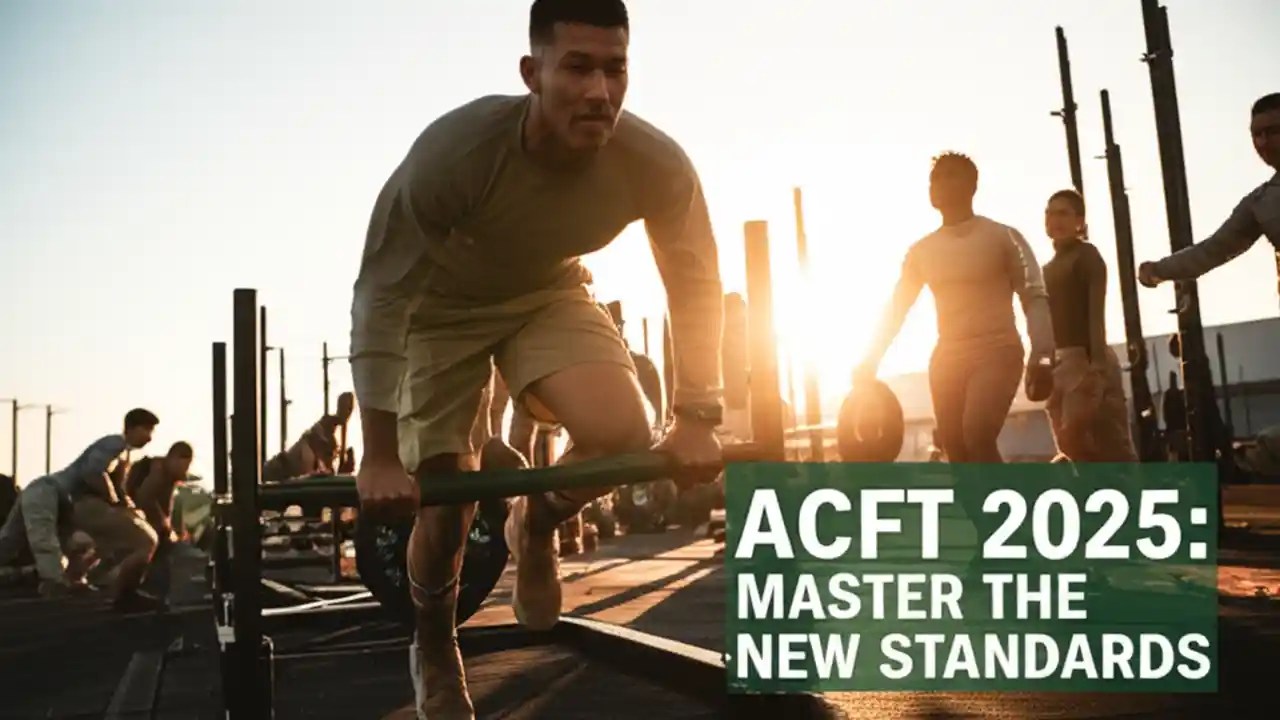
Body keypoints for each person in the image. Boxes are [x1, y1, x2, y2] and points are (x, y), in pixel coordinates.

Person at [347, 2, 724, 717]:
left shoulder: (655, 162)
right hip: (439, 310)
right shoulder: (455, 154)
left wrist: (699, 410)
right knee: (447, 505)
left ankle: (537, 523)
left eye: (615, 69)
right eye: (577, 67)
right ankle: (433, 640)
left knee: (623, 434)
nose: (599, 91)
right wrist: (378, 452)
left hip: (547, 291)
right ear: (533, 73)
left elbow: (695, 277)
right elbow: (381, 295)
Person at [855, 152, 1055, 463]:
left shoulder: (1004, 237)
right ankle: (984, 512)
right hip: (948, 358)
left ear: (972, 185)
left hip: (997, 351)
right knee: (956, 447)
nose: (940, 183)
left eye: (950, 175)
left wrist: (1043, 352)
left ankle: (1003, 510)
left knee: (976, 434)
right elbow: (897, 309)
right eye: (935, 177)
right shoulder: (922, 251)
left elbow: (1034, 296)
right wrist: (869, 359)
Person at [1138, 93, 1279, 288]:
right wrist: (1158, 270)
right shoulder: (1260, 202)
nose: (1263, 143)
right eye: (1257, 134)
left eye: (1273, 131)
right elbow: (1214, 250)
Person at [1041, 189, 1138, 462]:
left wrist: (1096, 366)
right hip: (1058, 365)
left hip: (1086, 357)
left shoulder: (1087, 256)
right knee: (1069, 446)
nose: (1055, 219)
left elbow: (1096, 313)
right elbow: (1044, 323)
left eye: (1063, 213)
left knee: (1110, 443)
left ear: (1080, 221)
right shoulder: (1045, 269)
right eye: (1050, 212)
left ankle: (1133, 499)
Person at [124, 441, 194, 598]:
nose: (185, 468)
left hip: (154, 523)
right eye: (184, 463)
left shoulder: (170, 475)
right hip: (143, 520)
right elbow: (145, 498)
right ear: (174, 458)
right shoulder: (158, 470)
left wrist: (176, 527)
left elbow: (169, 503)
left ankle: (154, 593)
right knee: (156, 553)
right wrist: (164, 524)